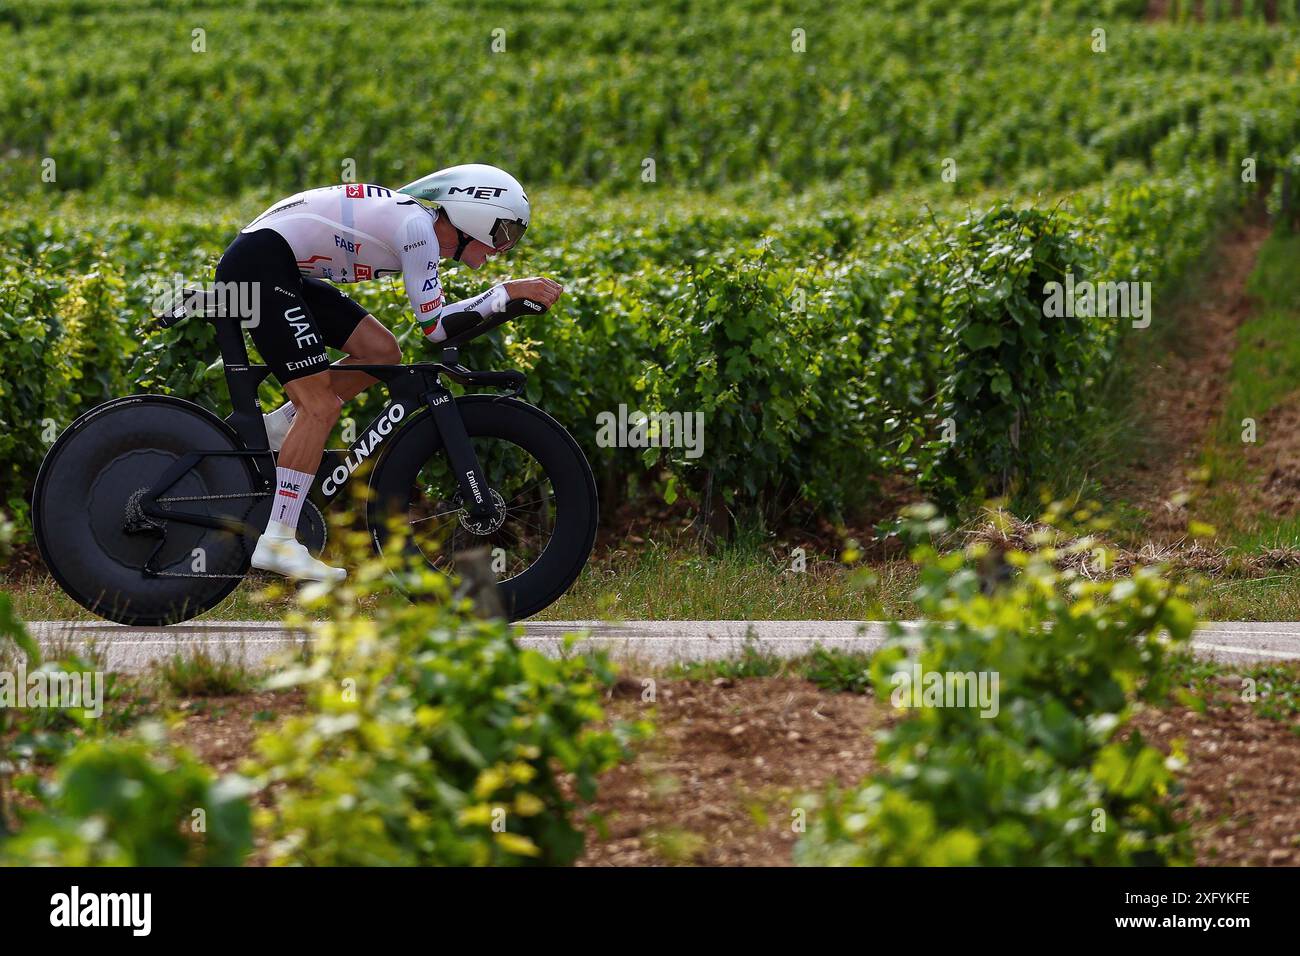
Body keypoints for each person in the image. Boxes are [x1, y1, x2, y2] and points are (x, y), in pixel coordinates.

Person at [212, 164, 563, 582]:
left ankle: (281, 429)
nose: (503, 247)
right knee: (320, 407)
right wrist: (506, 293)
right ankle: (279, 540)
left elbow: (439, 326)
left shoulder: (417, 225)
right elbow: (435, 328)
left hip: (274, 264)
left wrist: (503, 301)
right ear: (474, 216)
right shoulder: (419, 231)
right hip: (260, 267)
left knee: (381, 351)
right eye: (504, 232)